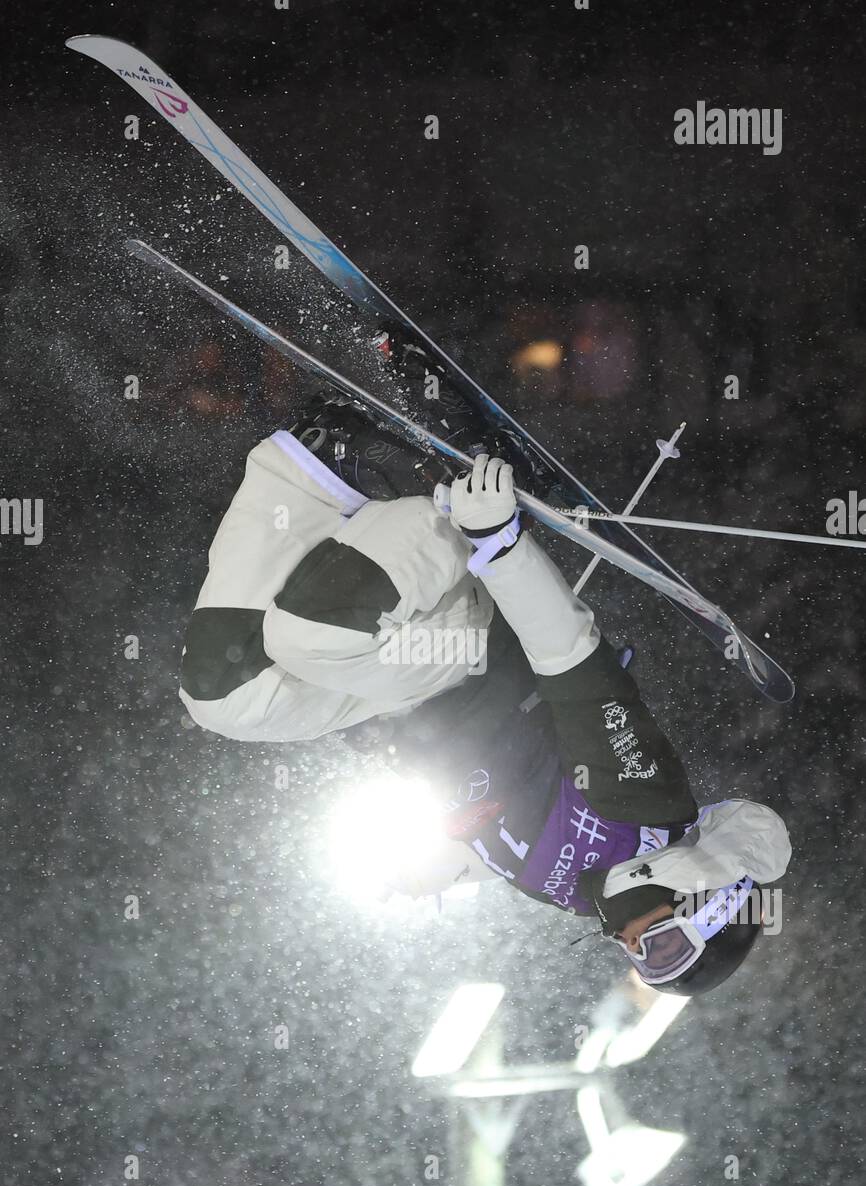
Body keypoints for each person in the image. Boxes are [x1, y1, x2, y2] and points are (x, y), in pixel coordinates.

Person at [179, 349, 791, 995]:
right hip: (470, 644)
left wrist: (427, 871)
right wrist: (499, 541)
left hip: (413, 699)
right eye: (667, 944)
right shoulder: (644, 814)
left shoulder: (571, 896)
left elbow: (489, 831)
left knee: (228, 702)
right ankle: (428, 506)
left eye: (648, 964)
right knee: (316, 639)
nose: (638, 946)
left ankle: (312, 473)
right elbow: (573, 659)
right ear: (701, 902)